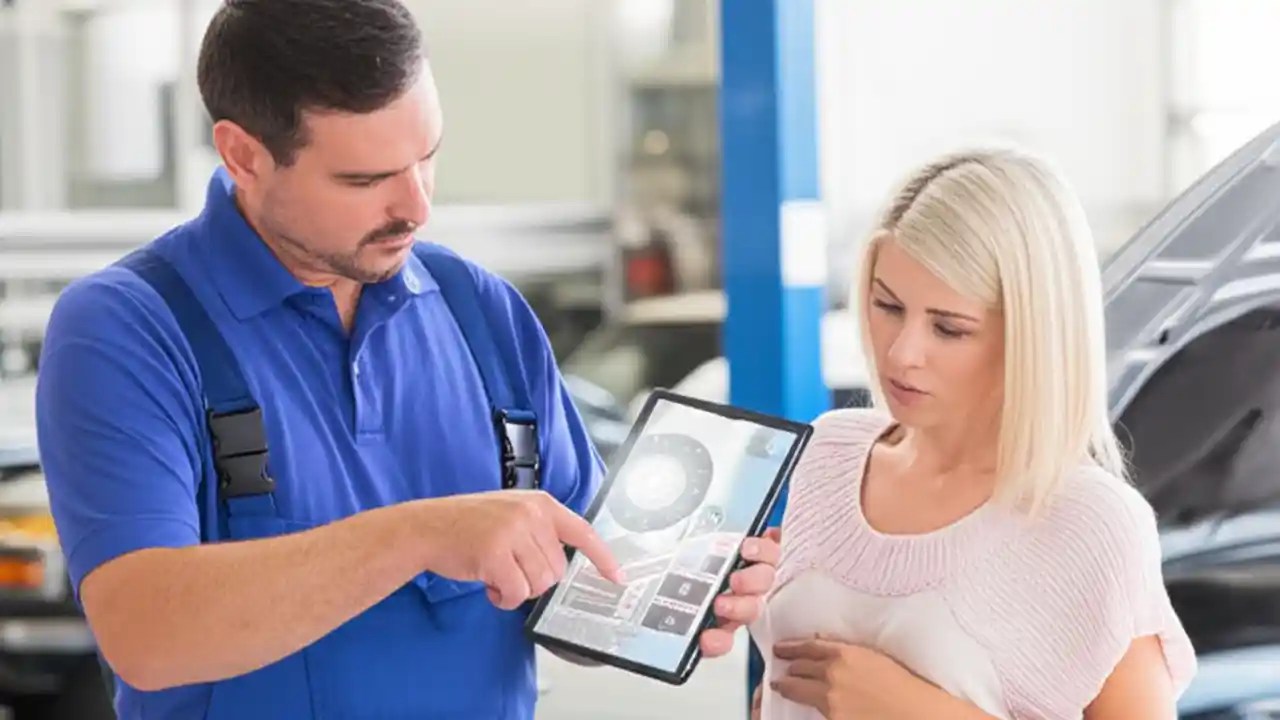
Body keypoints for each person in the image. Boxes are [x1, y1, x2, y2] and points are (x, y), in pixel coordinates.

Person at [34, 2, 778, 718]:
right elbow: (147, 633)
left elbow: (568, 595)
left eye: (427, 158)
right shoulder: (128, 329)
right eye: (364, 180)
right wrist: (419, 536)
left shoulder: (482, 311)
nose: (416, 206)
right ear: (243, 156)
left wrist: (668, 596)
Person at [748, 148, 1198, 719]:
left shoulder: (1091, 522)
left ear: (1032, 333)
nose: (902, 352)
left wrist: (918, 711)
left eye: (949, 328)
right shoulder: (828, 452)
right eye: (887, 305)